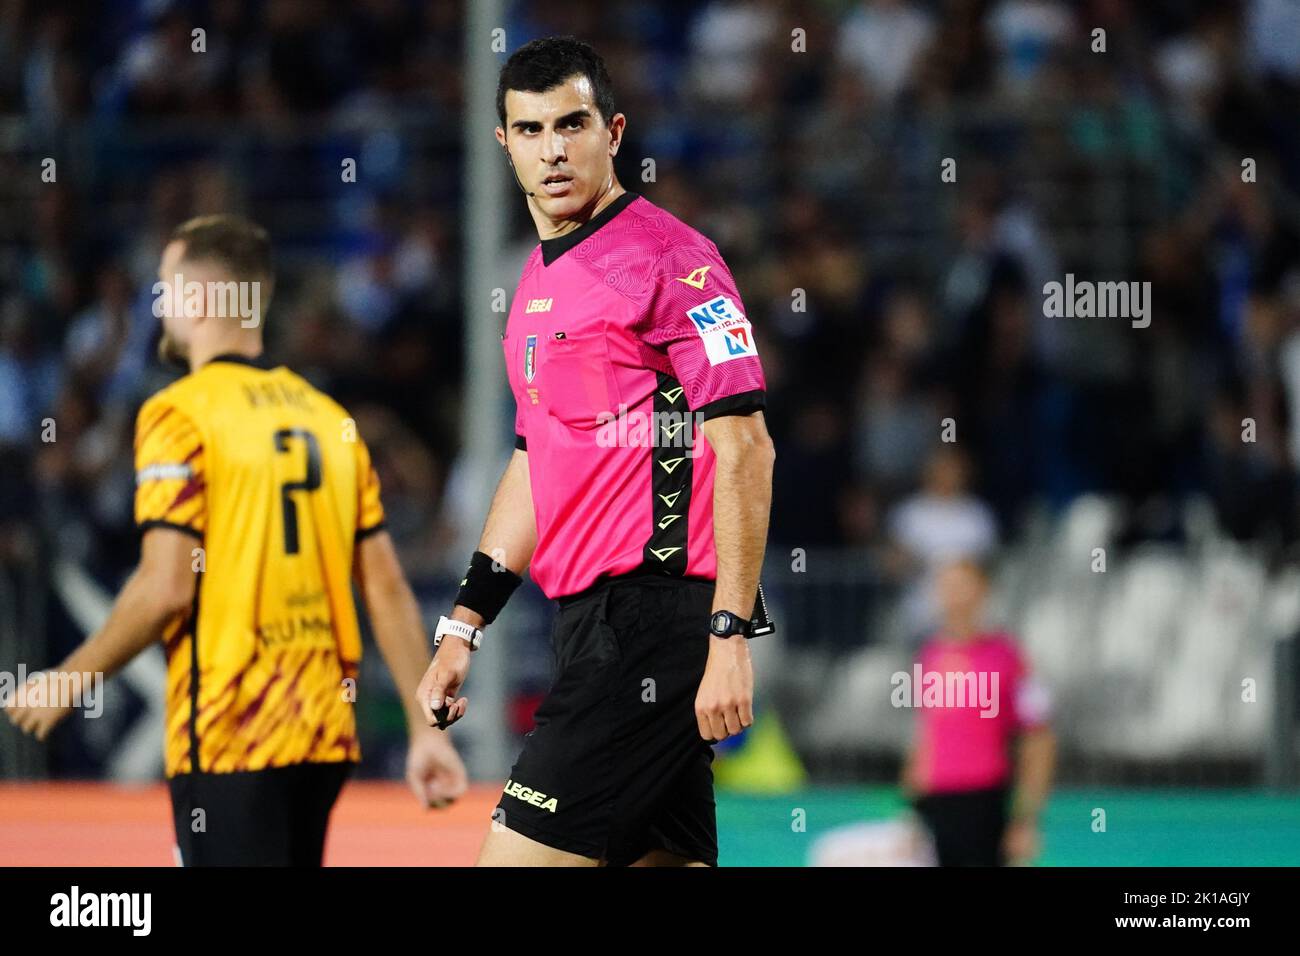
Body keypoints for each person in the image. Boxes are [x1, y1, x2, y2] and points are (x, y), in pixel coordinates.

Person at [4, 214, 466, 865]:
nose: (158, 302)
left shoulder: (178, 413)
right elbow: (385, 584)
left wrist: (68, 680)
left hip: (232, 729)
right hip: (321, 735)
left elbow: (166, 587)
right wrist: (425, 731)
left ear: (197, 296)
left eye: (165, 284)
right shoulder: (327, 417)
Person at [416, 37, 776, 867]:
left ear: (613, 132)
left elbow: (746, 445)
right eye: (531, 129)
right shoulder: (534, 287)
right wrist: (461, 628)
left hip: (652, 620)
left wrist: (730, 633)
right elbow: (532, 463)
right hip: (588, 625)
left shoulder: (673, 262)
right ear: (503, 143)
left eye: (572, 124)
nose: (554, 149)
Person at [900, 558, 1055, 865]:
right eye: (946, 586)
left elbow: (1038, 741)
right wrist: (911, 812)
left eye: (962, 586)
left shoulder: (1008, 657)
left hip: (985, 799)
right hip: (937, 802)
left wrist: (1026, 819)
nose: (953, 596)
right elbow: (927, 736)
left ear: (982, 591)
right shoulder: (929, 655)